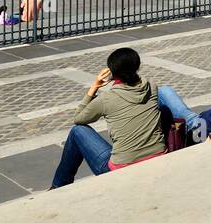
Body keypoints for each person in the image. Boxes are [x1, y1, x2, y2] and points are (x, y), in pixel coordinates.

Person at [50, 47, 167, 188]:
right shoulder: (151, 86)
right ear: (137, 66)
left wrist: (94, 88)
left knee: (78, 131)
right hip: (158, 156)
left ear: (112, 72)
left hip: (122, 168)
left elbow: (78, 118)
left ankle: (58, 186)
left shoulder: (106, 98)